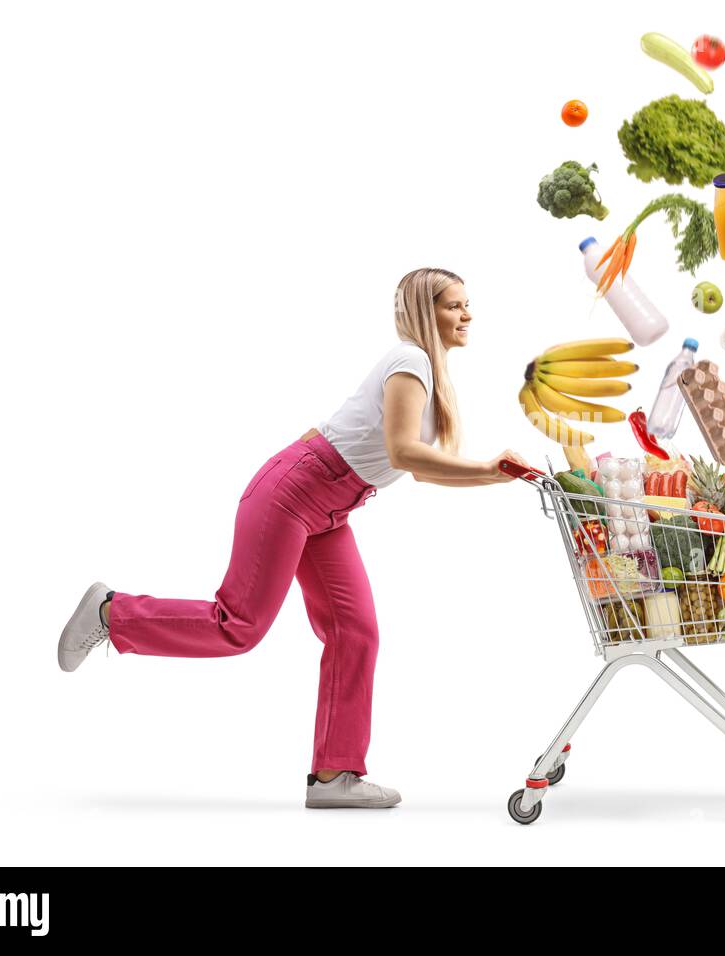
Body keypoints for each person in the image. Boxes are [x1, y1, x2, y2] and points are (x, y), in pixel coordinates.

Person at [57, 268, 529, 809]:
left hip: (331, 505)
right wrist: (486, 467)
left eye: (468, 305)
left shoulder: (428, 373)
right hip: (296, 492)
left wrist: (492, 475)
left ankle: (334, 777)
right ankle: (110, 613)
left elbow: (421, 469)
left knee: (356, 631)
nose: (467, 315)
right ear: (426, 312)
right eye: (454, 306)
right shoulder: (411, 361)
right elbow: (403, 453)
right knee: (238, 626)